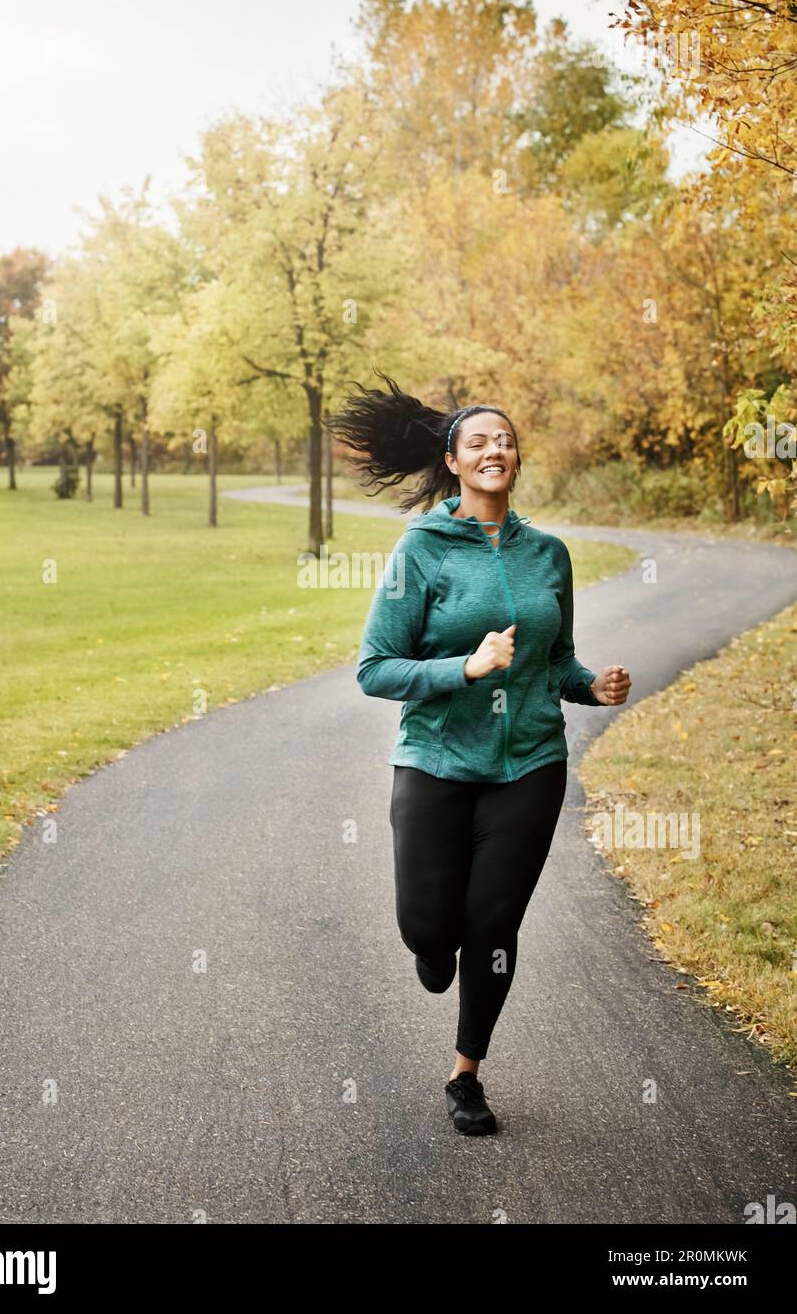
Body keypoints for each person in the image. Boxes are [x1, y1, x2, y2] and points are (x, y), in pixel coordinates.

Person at [329, 372, 632, 1136]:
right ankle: (433, 952)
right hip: (435, 761)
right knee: (430, 929)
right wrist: (461, 669)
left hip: (528, 766)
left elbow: (557, 660)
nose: (496, 449)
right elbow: (375, 669)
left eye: (505, 440)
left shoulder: (548, 555)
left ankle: (467, 1073)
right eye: (479, 442)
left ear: (515, 459)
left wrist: (592, 686)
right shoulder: (421, 551)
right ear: (455, 463)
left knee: (492, 927)